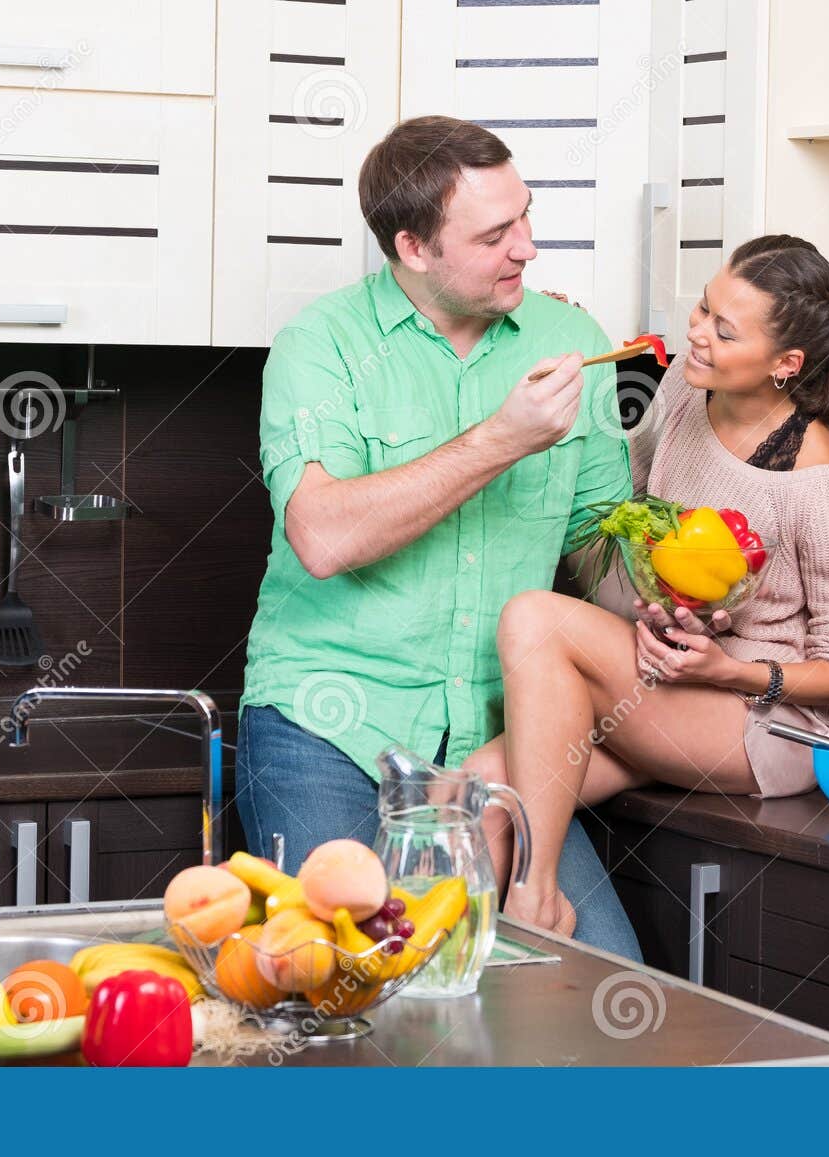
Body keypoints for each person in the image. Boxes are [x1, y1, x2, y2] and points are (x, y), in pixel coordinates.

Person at [235, 115, 643, 958]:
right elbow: (323, 535)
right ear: (413, 248)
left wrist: (665, 604)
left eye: (526, 217)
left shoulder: (574, 343)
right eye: (494, 235)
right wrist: (502, 439)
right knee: (352, 976)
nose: (526, 248)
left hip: (507, 740)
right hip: (334, 727)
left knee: (602, 982)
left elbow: (597, 547)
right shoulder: (321, 345)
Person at [466, 236, 829, 935]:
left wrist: (730, 669)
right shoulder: (686, 392)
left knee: (535, 619)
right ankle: (497, 989)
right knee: (470, 800)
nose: (698, 332)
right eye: (703, 308)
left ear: (786, 364)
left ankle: (537, 899)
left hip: (764, 725)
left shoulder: (815, 477)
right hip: (671, 691)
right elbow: (631, 513)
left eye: (726, 330)